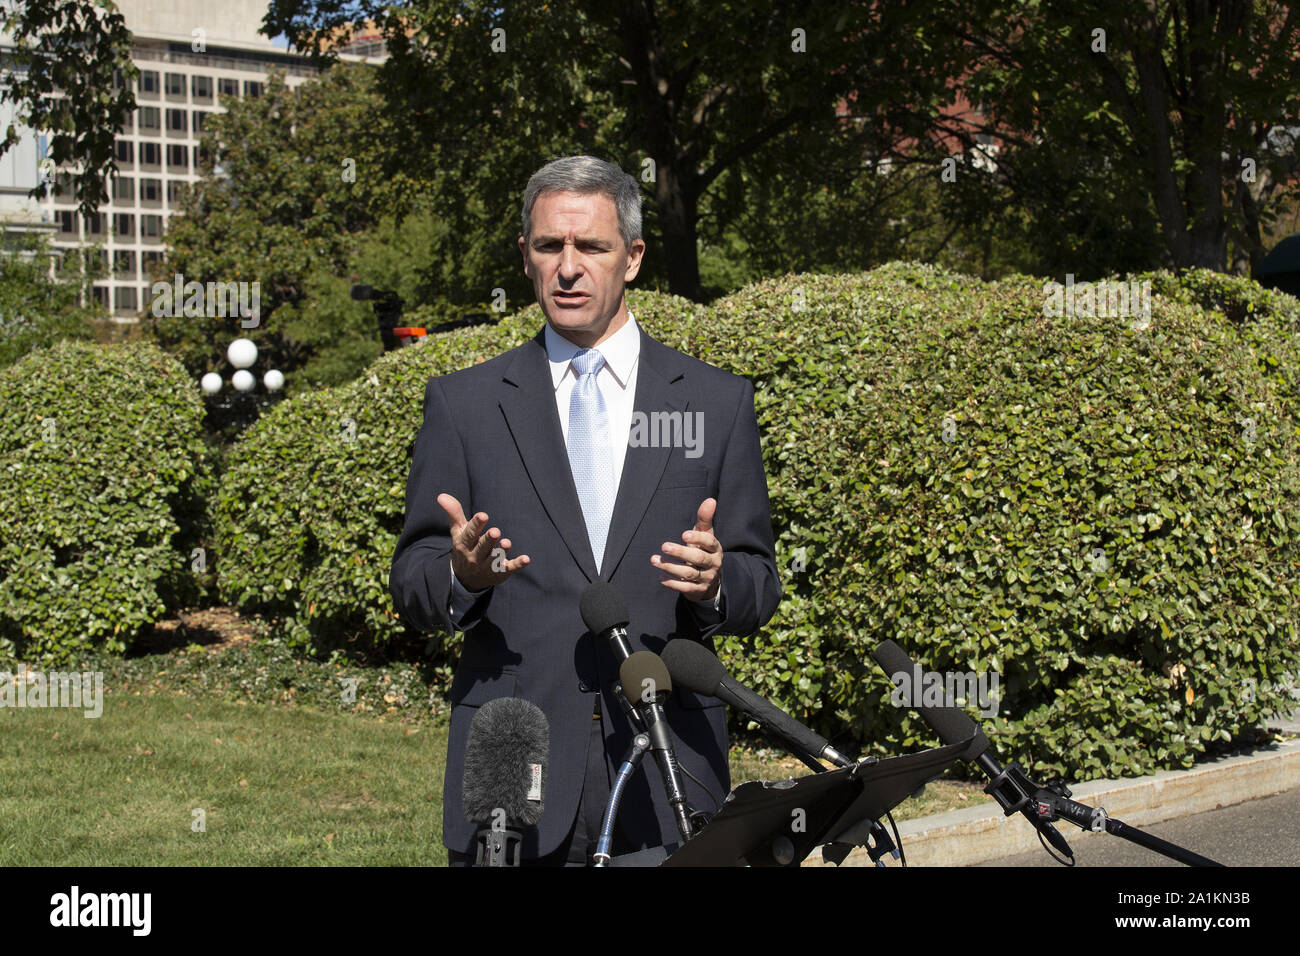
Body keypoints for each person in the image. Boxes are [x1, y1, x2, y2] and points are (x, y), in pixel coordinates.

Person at [389, 155, 781, 865]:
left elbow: (758, 582)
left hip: (670, 778)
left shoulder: (716, 404)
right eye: (549, 247)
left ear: (631, 257)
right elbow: (412, 581)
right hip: (515, 775)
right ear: (526, 256)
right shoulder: (466, 405)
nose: (568, 268)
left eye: (591, 247)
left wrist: (718, 583)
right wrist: (463, 577)